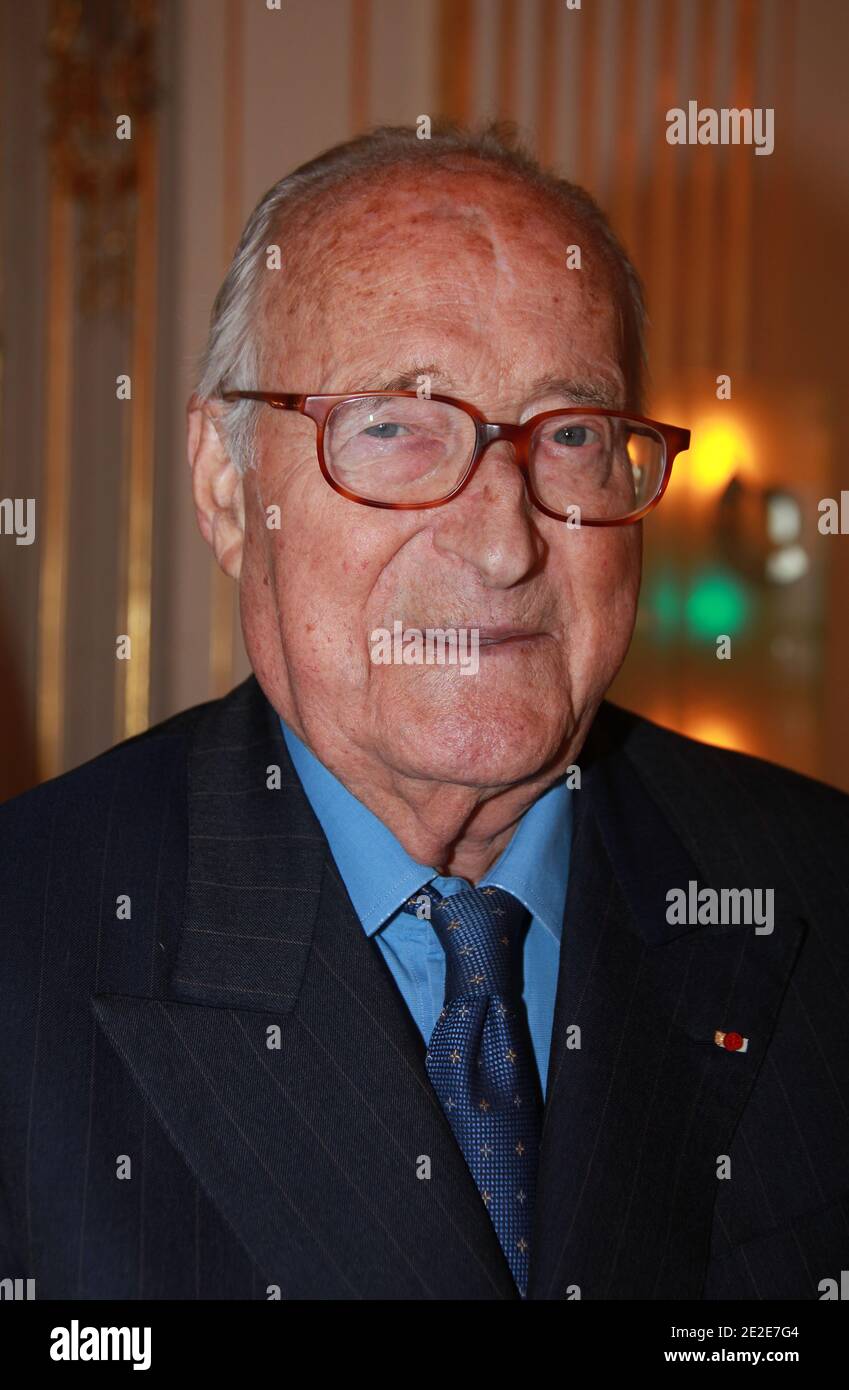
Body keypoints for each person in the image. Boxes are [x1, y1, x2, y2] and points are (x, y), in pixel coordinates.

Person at [1, 121, 847, 1301]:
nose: (504, 543)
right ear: (227, 487)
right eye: (395, 427)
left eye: (571, 435)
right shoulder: (28, 945)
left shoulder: (818, 894)